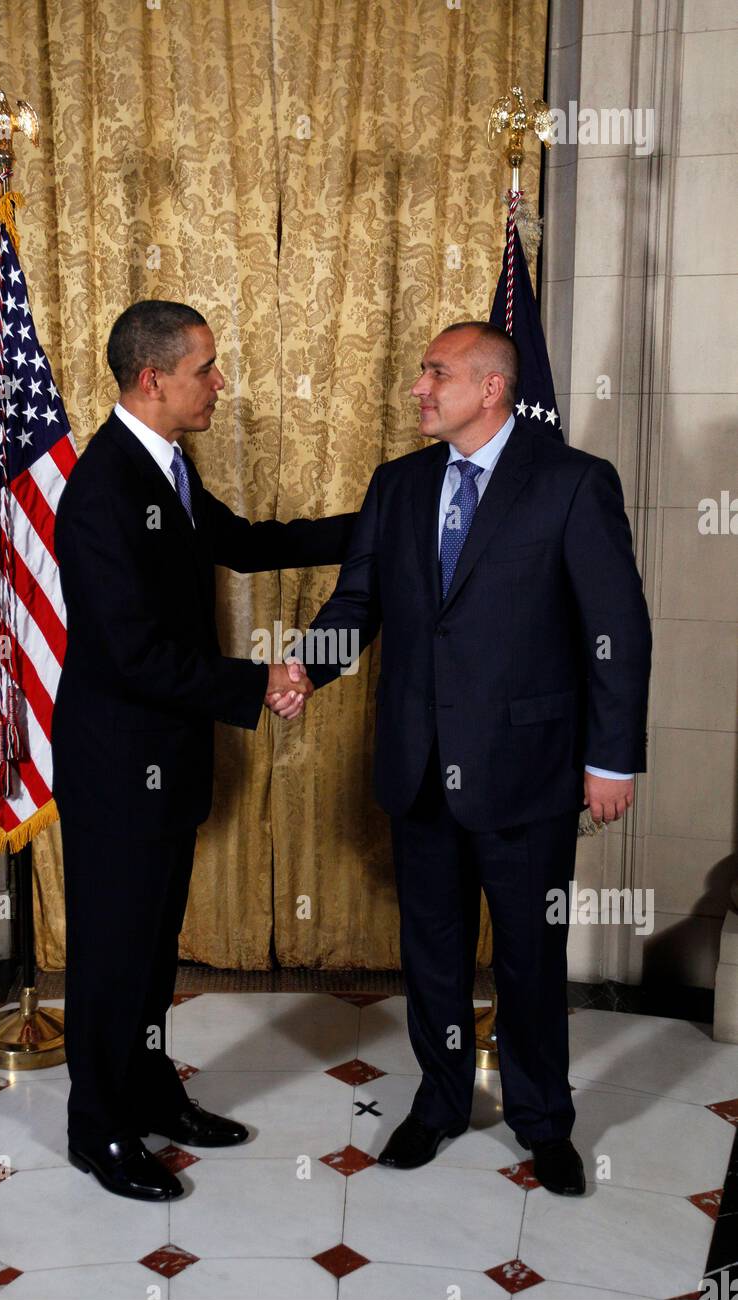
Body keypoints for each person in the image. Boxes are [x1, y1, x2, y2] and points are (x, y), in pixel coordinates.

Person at [282, 321, 652, 1196]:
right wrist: (307, 665)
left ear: (490, 387)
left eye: (435, 374)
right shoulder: (399, 485)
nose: (418, 387)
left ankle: (542, 1122)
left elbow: (616, 630)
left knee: (529, 954)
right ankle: (442, 1102)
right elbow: (359, 601)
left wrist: (614, 760)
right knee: (434, 954)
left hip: (529, 773)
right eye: (419, 373)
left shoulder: (572, 482)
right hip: (419, 767)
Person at [52, 300, 352, 1201]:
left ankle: (150, 1093)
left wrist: (379, 521)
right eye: (208, 369)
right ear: (155, 379)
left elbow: (251, 547)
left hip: (165, 760)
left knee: (151, 951)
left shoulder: (169, 470)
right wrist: (258, 683)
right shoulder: (104, 488)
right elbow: (132, 654)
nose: (220, 383)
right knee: (111, 959)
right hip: (116, 765)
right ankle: (96, 1130)